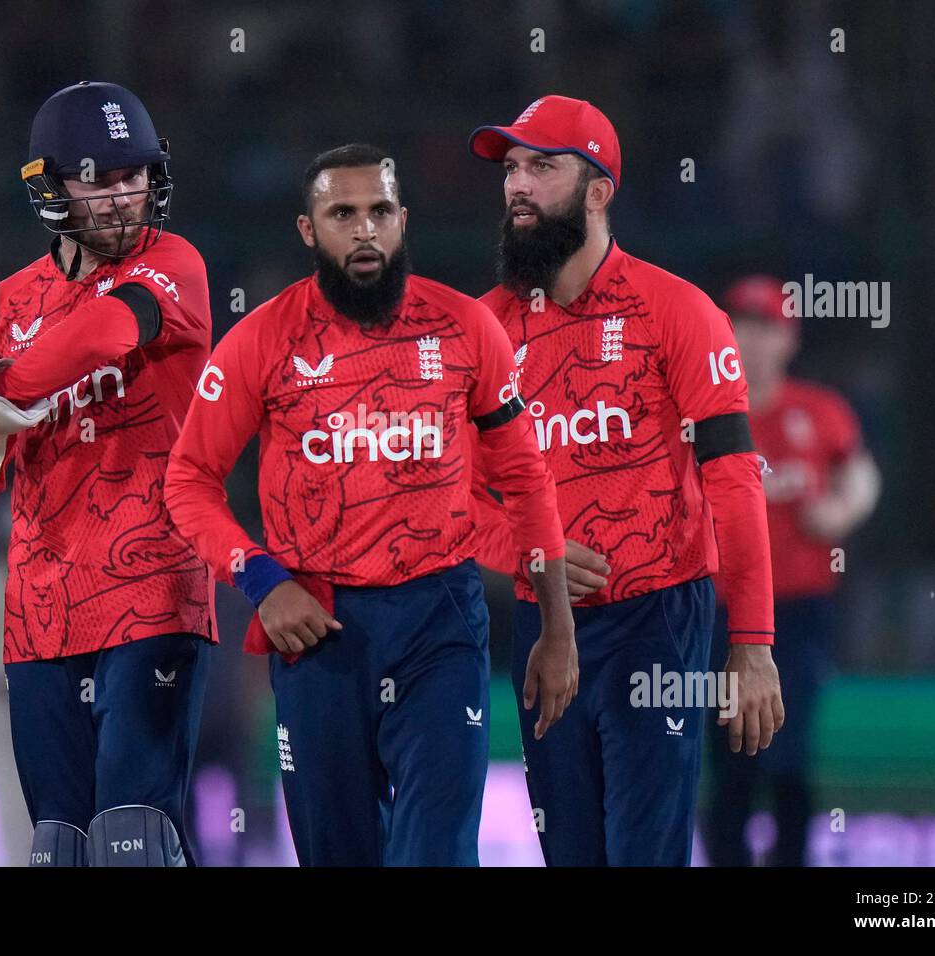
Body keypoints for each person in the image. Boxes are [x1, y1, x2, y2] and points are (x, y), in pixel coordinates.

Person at [162, 143, 575, 866]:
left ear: (402, 219)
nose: (363, 231)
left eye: (379, 211)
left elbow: (526, 478)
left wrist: (557, 626)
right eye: (341, 213)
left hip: (439, 622)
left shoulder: (465, 328)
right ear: (307, 229)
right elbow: (188, 481)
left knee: (436, 850)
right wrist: (263, 582)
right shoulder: (260, 340)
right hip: (318, 631)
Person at [0, 81, 215, 867]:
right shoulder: (9, 302)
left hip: (153, 591)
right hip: (38, 616)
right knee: (58, 850)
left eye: (134, 175)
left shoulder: (176, 265)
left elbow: (102, 332)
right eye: (98, 179)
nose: (122, 196)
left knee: (134, 843)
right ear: (50, 186)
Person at [466, 95, 784, 866]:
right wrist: (521, 548)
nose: (517, 186)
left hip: (660, 618)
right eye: (511, 169)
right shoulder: (483, 328)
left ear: (599, 189)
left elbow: (735, 481)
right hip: (545, 629)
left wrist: (751, 643)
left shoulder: (677, 311)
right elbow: (445, 493)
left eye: (542, 167)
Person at [702, 274, 880, 866]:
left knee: (787, 750)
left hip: (797, 612)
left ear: (789, 339)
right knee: (729, 755)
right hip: (719, 614)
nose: (753, 340)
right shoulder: (698, 411)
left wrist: (841, 509)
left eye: (767, 328)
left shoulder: (819, 410)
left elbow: (859, 473)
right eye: (742, 326)